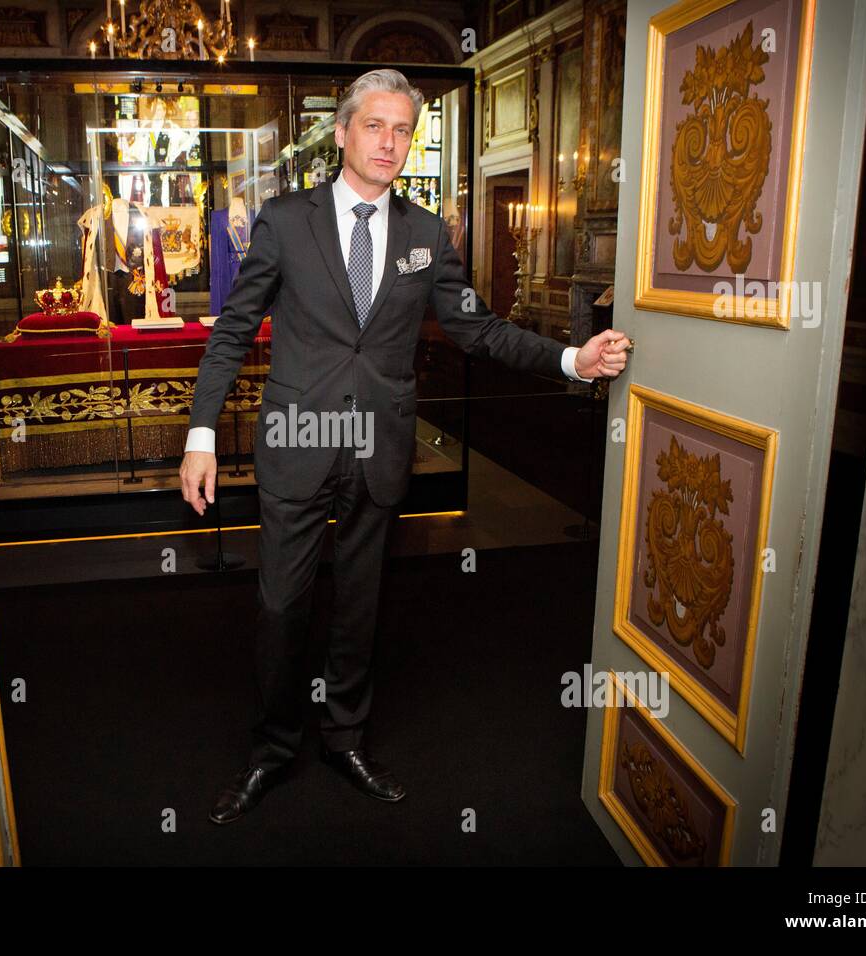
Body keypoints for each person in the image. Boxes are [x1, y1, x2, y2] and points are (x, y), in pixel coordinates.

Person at [180, 69, 630, 824]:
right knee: (282, 606)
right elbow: (232, 331)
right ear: (344, 133)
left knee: (360, 605)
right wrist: (199, 436)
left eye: (401, 131)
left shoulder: (425, 235)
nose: (389, 143)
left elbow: (476, 328)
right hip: (297, 442)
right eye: (375, 127)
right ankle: (272, 748)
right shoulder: (287, 221)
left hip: (380, 449)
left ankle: (346, 736)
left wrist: (569, 359)